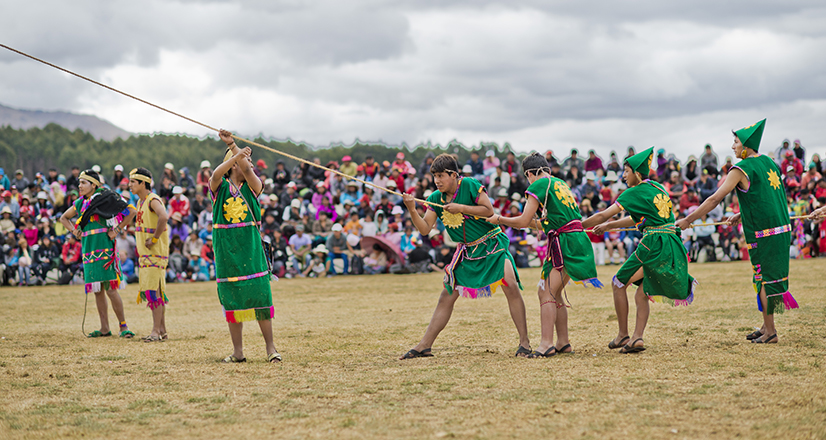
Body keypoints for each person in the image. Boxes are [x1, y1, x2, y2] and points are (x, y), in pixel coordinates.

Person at [678, 119, 799, 344]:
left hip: (764, 233)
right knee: (766, 277)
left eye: (735, 142)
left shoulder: (741, 168)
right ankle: (766, 325)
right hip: (780, 229)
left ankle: (771, 332)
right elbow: (766, 198)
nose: (733, 146)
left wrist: (688, 219)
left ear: (746, 145)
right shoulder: (770, 163)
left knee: (762, 279)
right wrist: (741, 214)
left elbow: (715, 198)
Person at [399, 154, 531, 359]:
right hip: (467, 251)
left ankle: (524, 343)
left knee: (510, 285)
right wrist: (411, 210)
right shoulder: (435, 198)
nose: (437, 180)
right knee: (447, 295)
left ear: (453, 175)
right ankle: (424, 345)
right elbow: (425, 229)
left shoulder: (469, 184)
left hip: (492, 244)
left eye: (441, 175)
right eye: (435, 176)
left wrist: (461, 208)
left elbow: (489, 211)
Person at [583, 147, 696, 354]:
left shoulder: (633, 192)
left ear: (636, 172)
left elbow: (602, 215)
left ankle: (623, 334)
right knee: (642, 292)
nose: (623, 176)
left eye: (626, 172)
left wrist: (578, 226)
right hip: (670, 243)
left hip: (653, 243)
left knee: (618, 282)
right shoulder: (658, 188)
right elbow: (640, 218)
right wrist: (610, 226)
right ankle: (637, 338)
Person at [487, 153, 601, 358]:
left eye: (527, 176)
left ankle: (546, 344)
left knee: (545, 292)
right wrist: (506, 219)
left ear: (531, 173)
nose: (528, 181)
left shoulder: (538, 185)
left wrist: (499, 219)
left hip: (565, 242)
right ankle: (562, 341)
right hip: (575, 240)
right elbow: (541, 223)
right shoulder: (560, 184)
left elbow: (522, 222)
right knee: (554, 292)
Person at [210, 129, 281, 363]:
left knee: (261, 297)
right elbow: (215, 174)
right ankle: (238, 352)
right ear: (231, 165)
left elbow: (248, 170)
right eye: (242, 161)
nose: (247, 163)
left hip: (251, 250)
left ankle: (271, 349)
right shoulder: (219, 188)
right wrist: (235, 152)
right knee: (232, 299)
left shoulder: (253, 187)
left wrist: (233, 145)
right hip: (227, 252)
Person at [59, 169, 137, 339]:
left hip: (105, 247)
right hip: (88, 250)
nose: (79, 186)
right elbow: (63, 218)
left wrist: (116, 229)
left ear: (93, 185)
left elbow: (131, 211)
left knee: (110, 289)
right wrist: (74, 231)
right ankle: (104, 328)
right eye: (79, 183)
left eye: (83, 183)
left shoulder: (107, 198)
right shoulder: (79, 203)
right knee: (97, 290)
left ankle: (123, 327)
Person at [129, 167, 171, 342]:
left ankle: (155, 331)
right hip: (146, 254)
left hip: (154, 252)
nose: (130, 185)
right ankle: (161, 330)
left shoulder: (153, 199)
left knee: (153, 291)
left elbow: (164, 217)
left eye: (133, 182)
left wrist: (154, 239)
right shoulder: (141, 202)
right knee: (154, 291)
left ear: (143, 183)